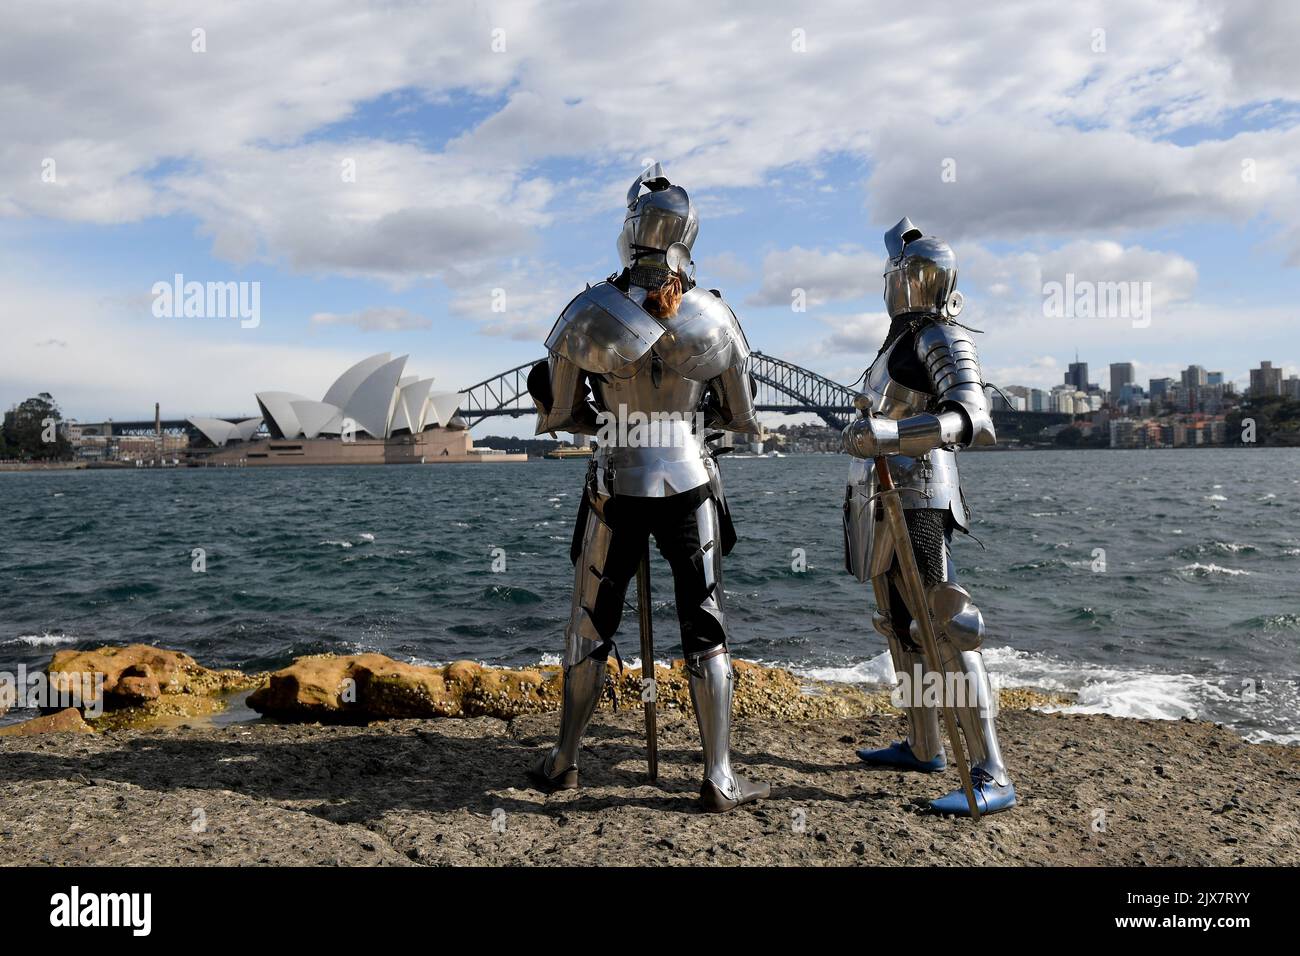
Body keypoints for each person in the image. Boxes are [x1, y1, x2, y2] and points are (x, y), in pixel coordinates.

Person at [526, 163, 768, 812]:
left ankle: (565, 761)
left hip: (615, 482)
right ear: (689, 234)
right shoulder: (715, 316)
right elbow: (742, 419)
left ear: (627, 233)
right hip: (691, 480)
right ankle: (718, 776)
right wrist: (690, 417)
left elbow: (557, 417)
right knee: (707, 627)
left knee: (588, 627)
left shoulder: (586, 314)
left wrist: (608, 414)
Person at [841, 217, 1017, 815]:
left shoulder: (940, 337)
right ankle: (923, 744)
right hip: (879, 497)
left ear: (903, 279)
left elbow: (975, 419)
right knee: (897, 624)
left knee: (945, 624)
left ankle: (992, 770)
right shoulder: (898, 344)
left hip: (917, 493)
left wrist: (888, 432)